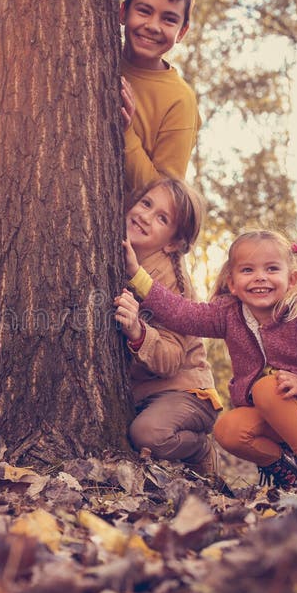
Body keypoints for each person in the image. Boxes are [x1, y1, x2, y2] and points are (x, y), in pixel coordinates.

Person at [119, 229, 297, 497]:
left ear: (292, 279)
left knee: (266, 387)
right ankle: (291, 473)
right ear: (232, 282)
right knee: (228, 430)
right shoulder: (229, 314)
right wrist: (137, 273)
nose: (260, 277)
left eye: (272, 269)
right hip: (275, 412)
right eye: (248, 270)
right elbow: (183, 314)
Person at [113, 178, 222, 475]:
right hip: (142, 392)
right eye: (146, 203)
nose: (145, 216)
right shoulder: (119, 249)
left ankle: (200, 449)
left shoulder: (173, 280)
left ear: (173, 242)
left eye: (162, 218)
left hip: (186, 392)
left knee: (146, 435)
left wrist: (138, 332)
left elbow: (173, 358)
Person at [120, 0, 201, 193]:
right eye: (144, 11)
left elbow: (163, 194)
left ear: (182, 32)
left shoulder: (180, 100)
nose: (153, 26)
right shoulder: (96, 59)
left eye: (168, 19)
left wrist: (126, 134)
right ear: (123, 12)